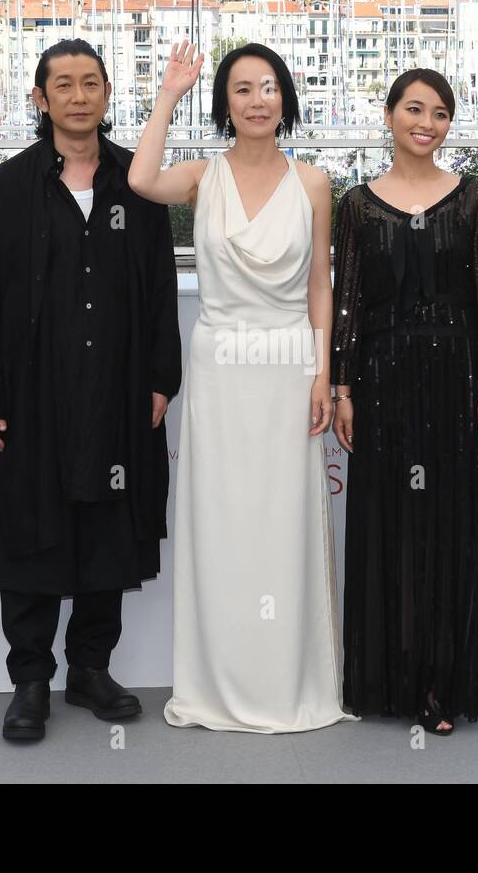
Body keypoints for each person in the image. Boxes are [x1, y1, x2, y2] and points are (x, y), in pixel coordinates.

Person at [129, 40, 355, 733]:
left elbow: (321, 285)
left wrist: (324, 373)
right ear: (225, 105)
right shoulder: (201, 175)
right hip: (223, 364)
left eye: (268, 88)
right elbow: (139, 180)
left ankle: (290, 678)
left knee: (284, 522)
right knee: (223, 522)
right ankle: (219, 678)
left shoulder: (313, 182)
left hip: (289, 363)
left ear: (286, 98)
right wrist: (168, 93)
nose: (258, 101)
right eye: (242, 90)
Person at [0, 39, 181, 742]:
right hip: (35, 390)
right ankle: (30, 680)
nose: (79, 95)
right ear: (41, 99)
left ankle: (90, 670)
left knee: (106, 529)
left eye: (91, 82)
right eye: (64, 84)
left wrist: (160, 377)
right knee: (33, 528)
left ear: (107, 93)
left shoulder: (138, 180)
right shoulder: (10, 185)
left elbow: (158, 286)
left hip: (119, 386)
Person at [331, 69, 478, 737]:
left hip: (459, 380)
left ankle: (441, 682)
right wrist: (342, 387)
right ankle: (388, 678)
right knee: (392, 529)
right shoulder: (356, 205)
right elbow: (346, 301)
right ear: (388, 115)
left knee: (452, 529)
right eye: (414, 108)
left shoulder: (474, 201)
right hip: (381, 385)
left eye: (439, 113)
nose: (426, 123)